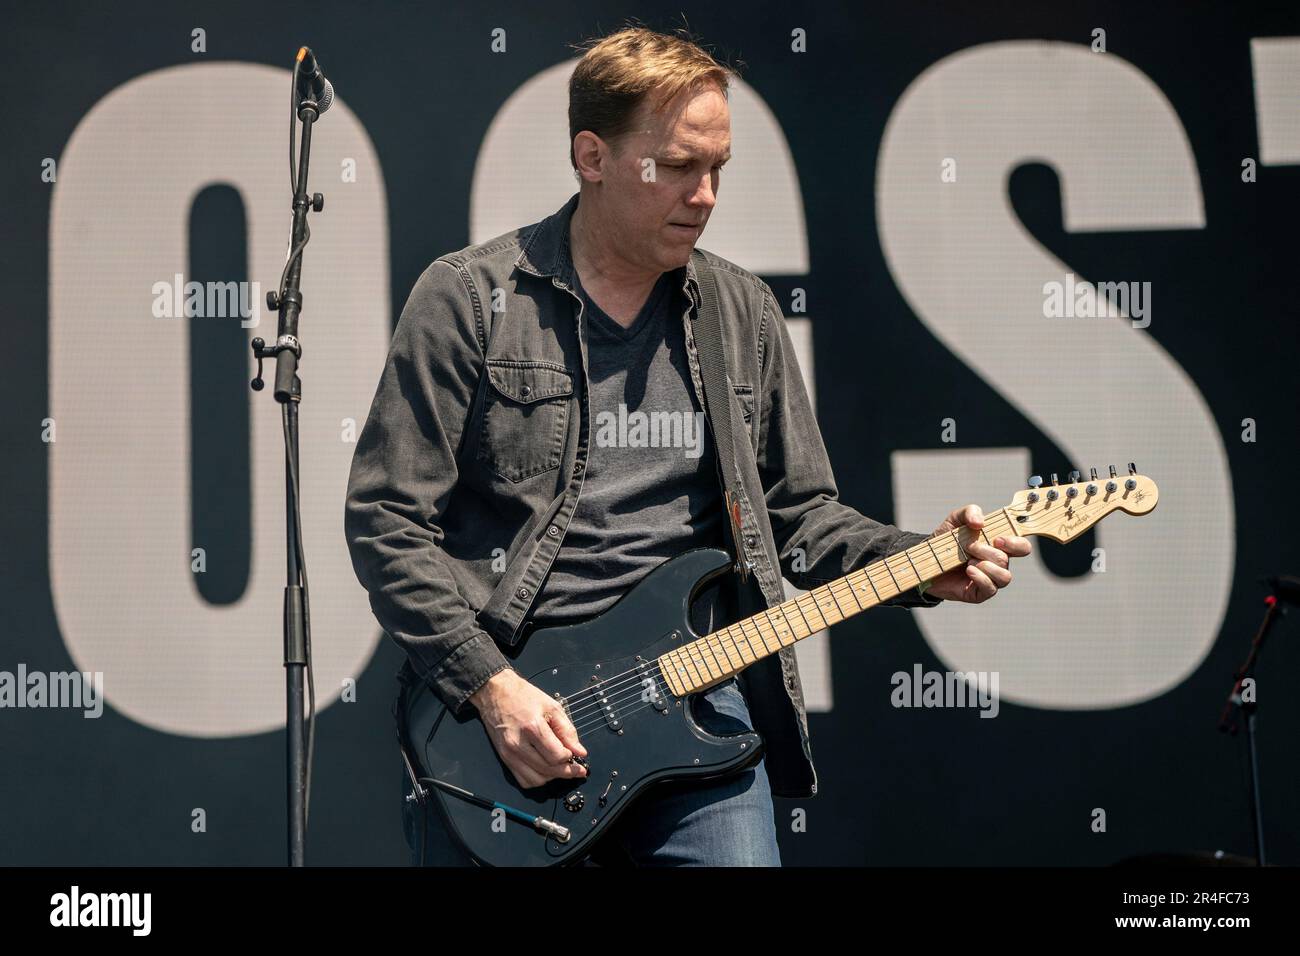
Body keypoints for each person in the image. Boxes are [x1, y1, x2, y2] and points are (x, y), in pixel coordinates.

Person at [344, 25, 1032, 867]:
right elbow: (386, 520)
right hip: (510, 713)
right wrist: (492, 689)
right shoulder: (468, 299)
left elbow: (798, 516)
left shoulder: (742, 313)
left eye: (718, 168)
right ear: (591, 157)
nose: (705, 194)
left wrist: (920, 559)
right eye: (675, 166)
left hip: (698, 702)